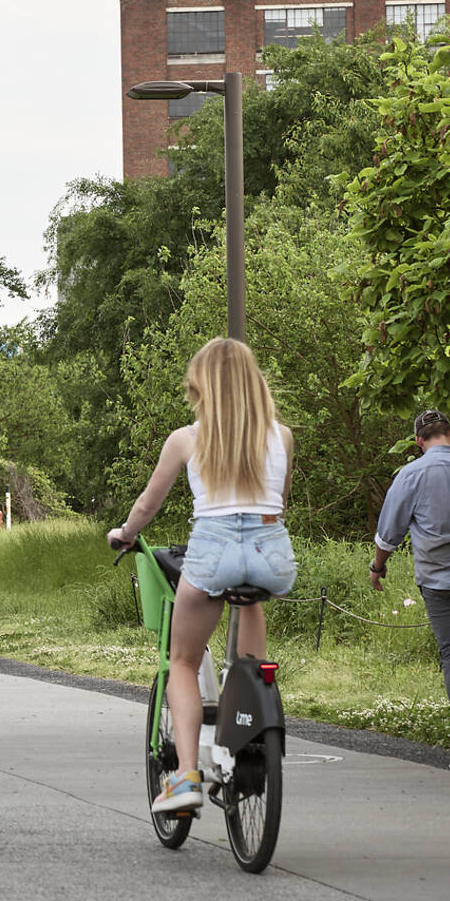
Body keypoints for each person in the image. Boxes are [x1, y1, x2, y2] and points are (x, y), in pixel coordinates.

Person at [107, 337, 297, 815]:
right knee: (249, 605)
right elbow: (281, 500)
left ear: (202, 386)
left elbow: (148, 505)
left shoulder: (187, 439)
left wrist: (125, 533)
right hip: (271, 554)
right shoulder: (283, 436)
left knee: (183, 663)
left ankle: (186, 777)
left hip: (213, 552)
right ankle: (252, 698)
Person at [371, 409, 450, 772]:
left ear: (418, 441)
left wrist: (378, 567)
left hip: (438, 580)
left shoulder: (413, 473)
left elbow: (389, 532)